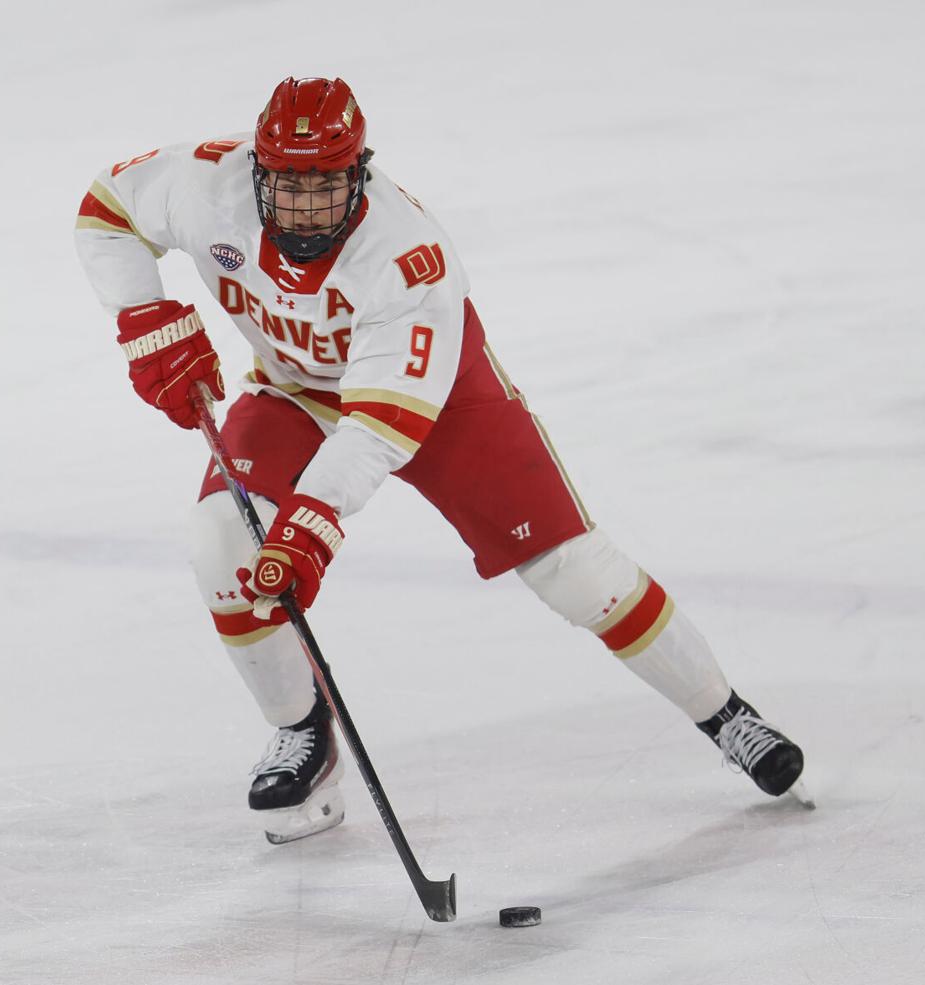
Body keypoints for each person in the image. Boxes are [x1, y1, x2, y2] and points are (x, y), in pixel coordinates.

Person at [75, 77, 807, 844]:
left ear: (360, 174)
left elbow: (378, 428)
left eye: (325, 187)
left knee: (575, 570)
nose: (303, 207)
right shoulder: (205, 183)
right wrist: (144, 316)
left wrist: (309, 522)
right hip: (294, 388)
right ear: (258, 169)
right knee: (221, 540)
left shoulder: (406, 259)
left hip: (436, 397)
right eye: (287, 185)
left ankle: (725, 714)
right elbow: (106, 209)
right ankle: (303, 731)